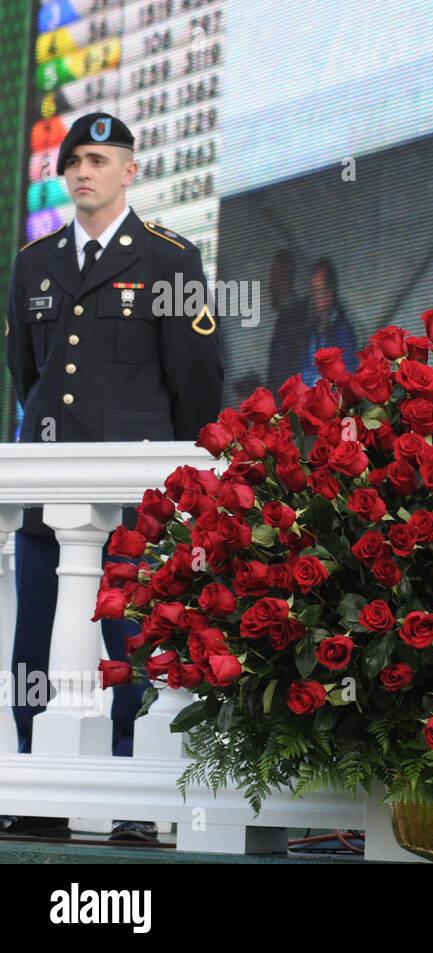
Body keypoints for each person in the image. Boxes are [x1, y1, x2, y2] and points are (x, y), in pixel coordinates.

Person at [4, 111, 223, 840]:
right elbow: (28, 376)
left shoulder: (169, 259)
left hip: (137, 503)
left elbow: (195, 380)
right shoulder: (33, 264)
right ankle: (36, 788)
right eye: (73, 162)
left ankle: (137, 791)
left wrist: (174, 479)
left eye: (98, 159)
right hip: (51, 494)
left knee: (135, 647)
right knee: (35, 647)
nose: (82, 172)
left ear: (131, 170)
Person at [267, 256, 356, 388]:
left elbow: (345, 384)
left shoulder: (342, 335)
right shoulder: (305, 329)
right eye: (312, 292)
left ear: (329, 293)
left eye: (317, 291)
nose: (313, 300)